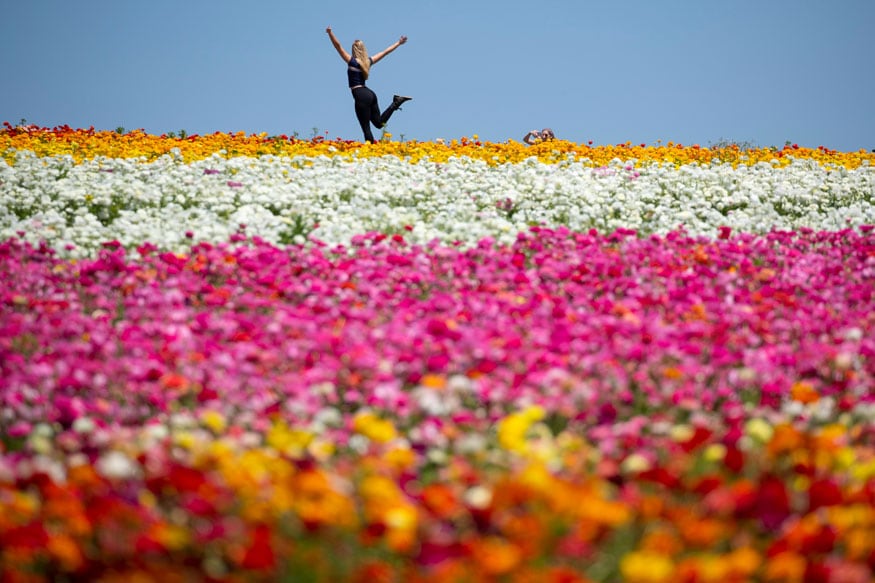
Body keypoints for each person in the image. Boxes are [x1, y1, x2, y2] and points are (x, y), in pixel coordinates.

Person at [326, 26, 412, 143]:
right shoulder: (368, 62)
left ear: (354, 50)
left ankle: (371, 152)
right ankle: (396, 102)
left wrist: (330, 33)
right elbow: (385, 52)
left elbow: (338, 46)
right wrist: (398, 43)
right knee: (379, 123)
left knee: (366, 129)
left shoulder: (352, 61)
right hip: (370, 94)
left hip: (360, 95)